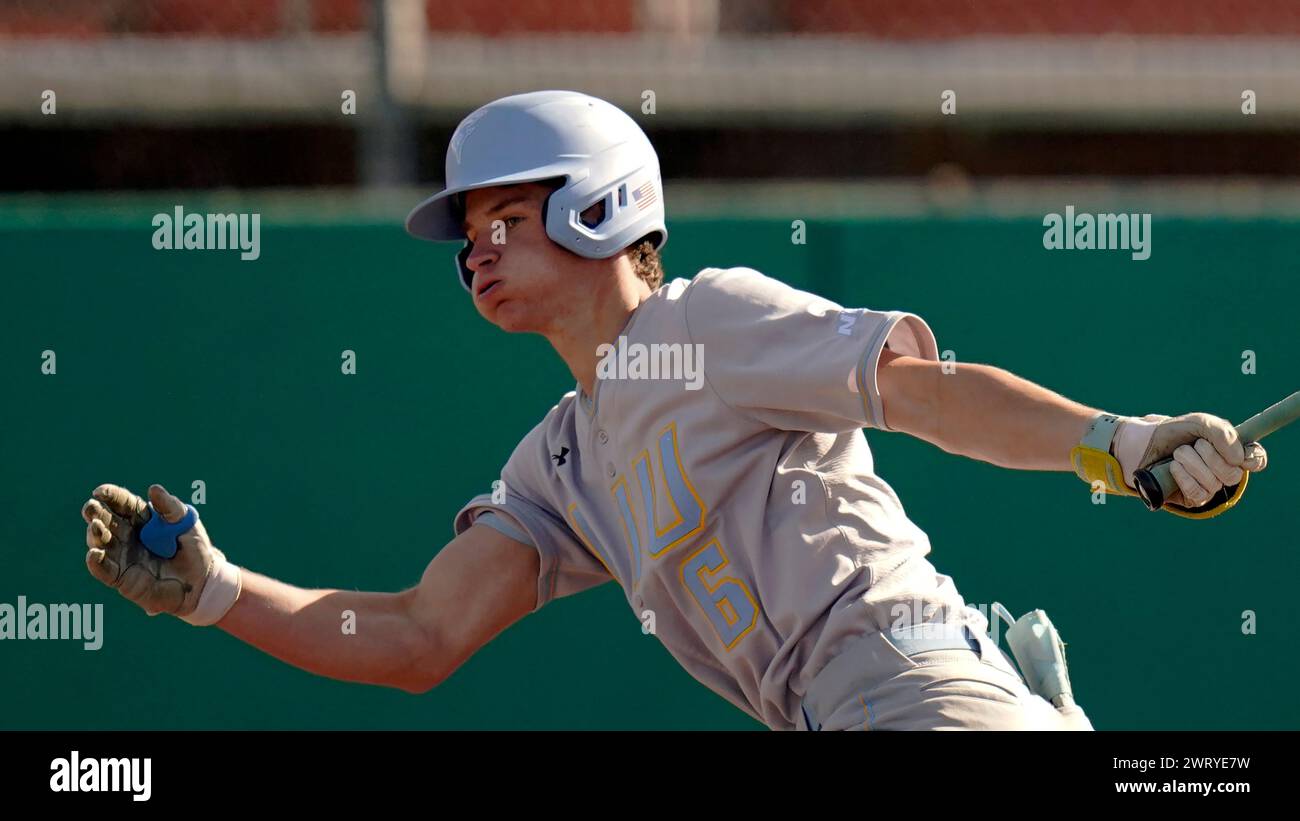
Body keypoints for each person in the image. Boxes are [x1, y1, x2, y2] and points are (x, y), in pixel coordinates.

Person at [80, 90, 1268, 731]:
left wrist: (1120, 443)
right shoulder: (557, 462)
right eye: (465, 235)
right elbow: (417, 638)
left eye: (503, 217)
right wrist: (214, 593)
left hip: (910, 684)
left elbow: (930, 397)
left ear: (600, 207)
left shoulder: (703, 323)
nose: (474, 251)